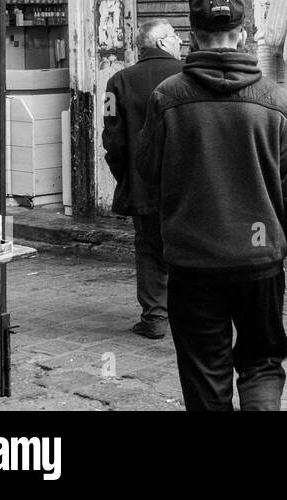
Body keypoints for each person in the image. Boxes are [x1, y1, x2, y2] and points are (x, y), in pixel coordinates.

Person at [135, 0, 287, 410]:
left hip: (193, 266)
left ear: (191, 38)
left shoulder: (167, 98)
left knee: (206, 374)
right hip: (259, 266)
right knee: (261, 364)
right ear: (243, 36)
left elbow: (146, 175)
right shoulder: (274, 101)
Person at [102, 19, 183, 339]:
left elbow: (112, 139)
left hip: (143, 185)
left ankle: (154, 317)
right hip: (188, 186)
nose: (181, 42)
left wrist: (126, 176)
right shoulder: (190, 75)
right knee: (189, 249)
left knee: (149, 247)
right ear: (162, 42)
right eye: (177, 37)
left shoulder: (117, 82)